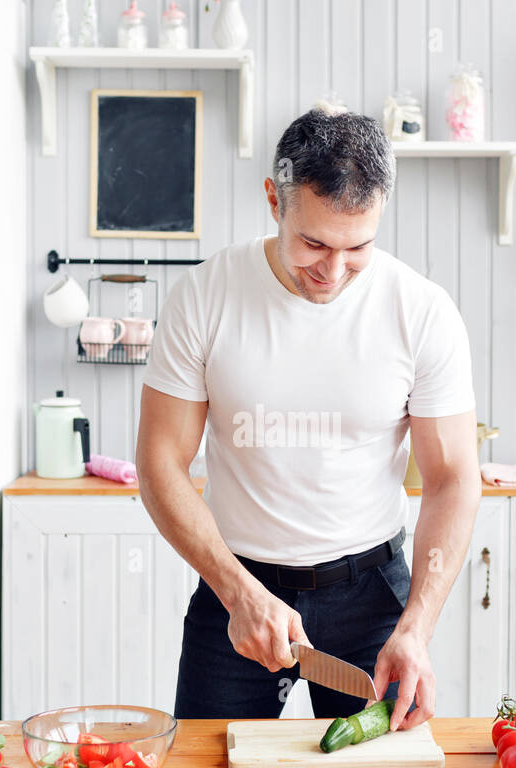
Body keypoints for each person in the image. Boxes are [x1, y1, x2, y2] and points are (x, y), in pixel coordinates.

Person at [136, 108, 480, 731]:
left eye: (358, 248)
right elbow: (160, 464)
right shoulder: (205, 295)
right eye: (314, 243)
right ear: (275, 199)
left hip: (372, 594)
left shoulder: (422, 311)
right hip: (235, 589)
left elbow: (453, 477)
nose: (333, 269)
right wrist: (239, 593)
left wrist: (417, 627)